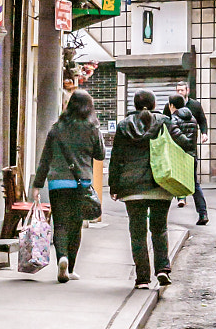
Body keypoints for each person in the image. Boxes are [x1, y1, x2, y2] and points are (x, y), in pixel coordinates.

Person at [31, 87, 105, 283]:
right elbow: (100, 154)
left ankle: (61, 257)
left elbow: (45, 158)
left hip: (58, 182)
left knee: (61, 223)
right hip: (81, 182)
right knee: (76, 224)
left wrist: (37, 184)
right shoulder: (92, 127)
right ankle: (70, 267)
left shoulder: (57, 128)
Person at [109, 88, 174, 289]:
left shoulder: (123, 126)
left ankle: (142, 278)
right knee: (159, 229)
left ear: (134, 105)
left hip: (132, 186)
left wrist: (114, 185)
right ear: (154, 104)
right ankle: (162, 269)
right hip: (160, 183)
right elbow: (175, 149)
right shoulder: (165, 122)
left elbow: (117, 157)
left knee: (137, 232)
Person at [169, 77, 210, 225]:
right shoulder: (182, 114)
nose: (180, 92)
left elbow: (203, 121)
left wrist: (204, 133)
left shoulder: (195, 106)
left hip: (180, 151)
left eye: (182, 90)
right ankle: (196, 208)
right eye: (178, 90)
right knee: (193, 182)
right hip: (190, 150)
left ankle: (159, 217)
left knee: (170, 181)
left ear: (187, 91)